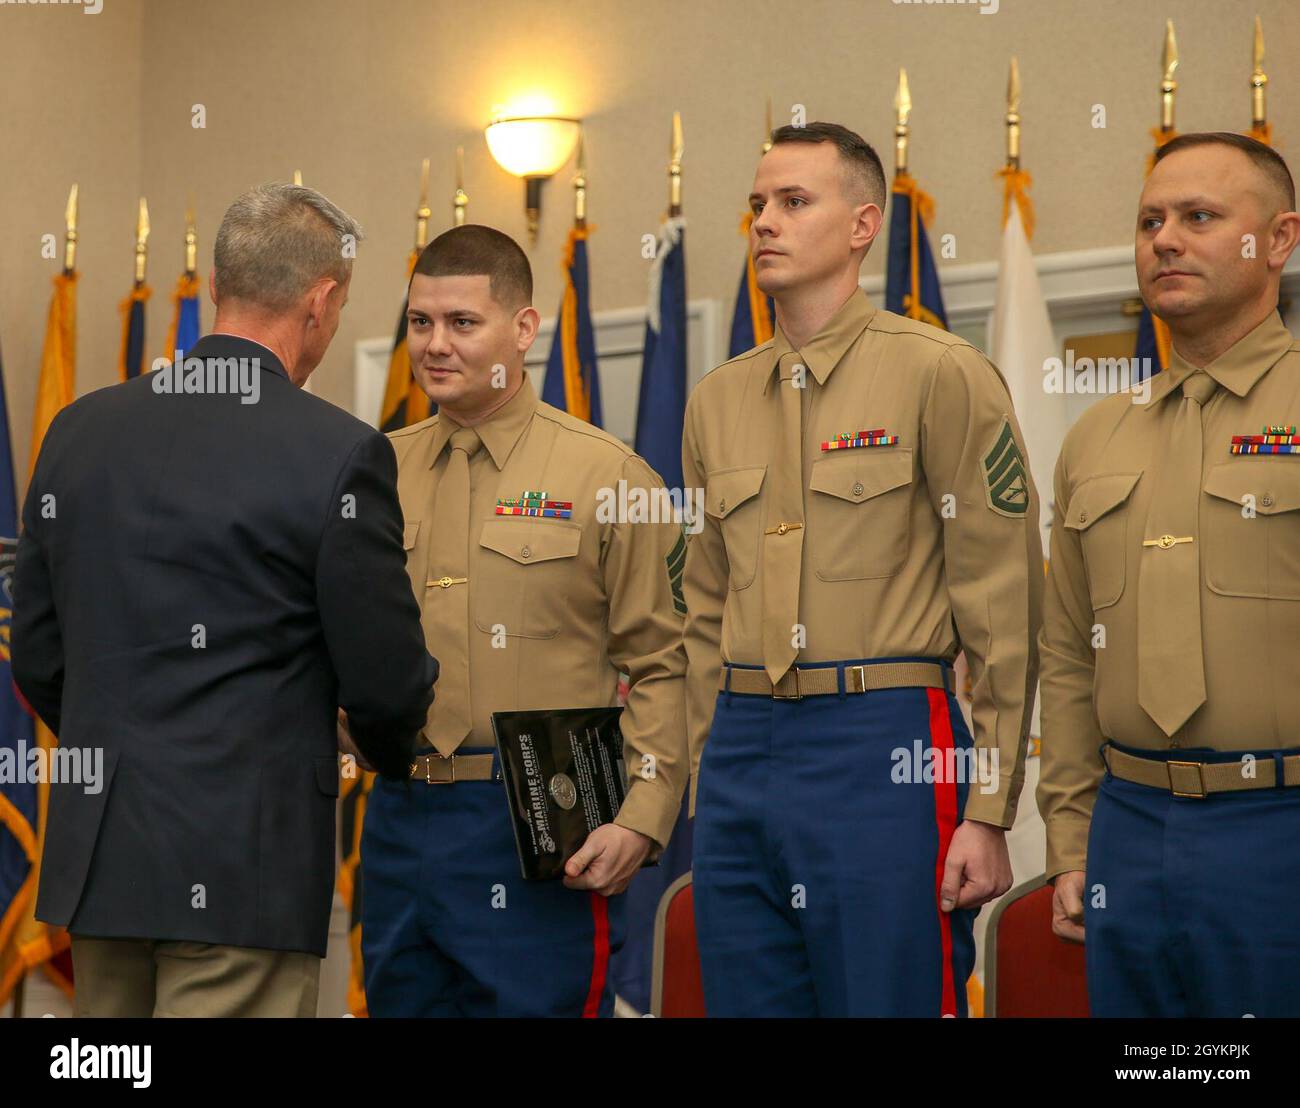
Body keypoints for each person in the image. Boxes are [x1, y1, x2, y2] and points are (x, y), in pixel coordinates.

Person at [11, 183, 437, 1018]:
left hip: (103, 869)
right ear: (320, 302)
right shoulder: (338, 454)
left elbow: (37, 653)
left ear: (218, 285)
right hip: (243, 870)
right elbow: (384, 682)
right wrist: (391, 750)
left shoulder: (79, 431)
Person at [681, 121, 1042, 1017]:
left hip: (883, 742)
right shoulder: (717, 399)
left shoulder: (940, 373)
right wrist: (693, 771)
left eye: (794, 201)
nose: (764, 220)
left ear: (862, 225)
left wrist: (990, 808)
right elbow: (700, 609)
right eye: (758, 203)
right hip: (739, 745)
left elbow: (1003, 605)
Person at [358, 224, 688, 1017]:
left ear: (525, 329)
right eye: (420, 322)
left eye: (463, 323)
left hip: (540, 818)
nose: (436, 345)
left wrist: (643, 815)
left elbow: (666, 662)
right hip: (402, 816)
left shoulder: (608, 474)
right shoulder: (374, 471)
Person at [1039, 132, 1300, 1017]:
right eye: (1150, 220)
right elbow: (1069, 655)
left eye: (1198, 217)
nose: (1165, 239)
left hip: (1281, 827)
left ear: (1279, 240)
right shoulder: (1096, 437)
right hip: (1130, 829)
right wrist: (1071, 838)